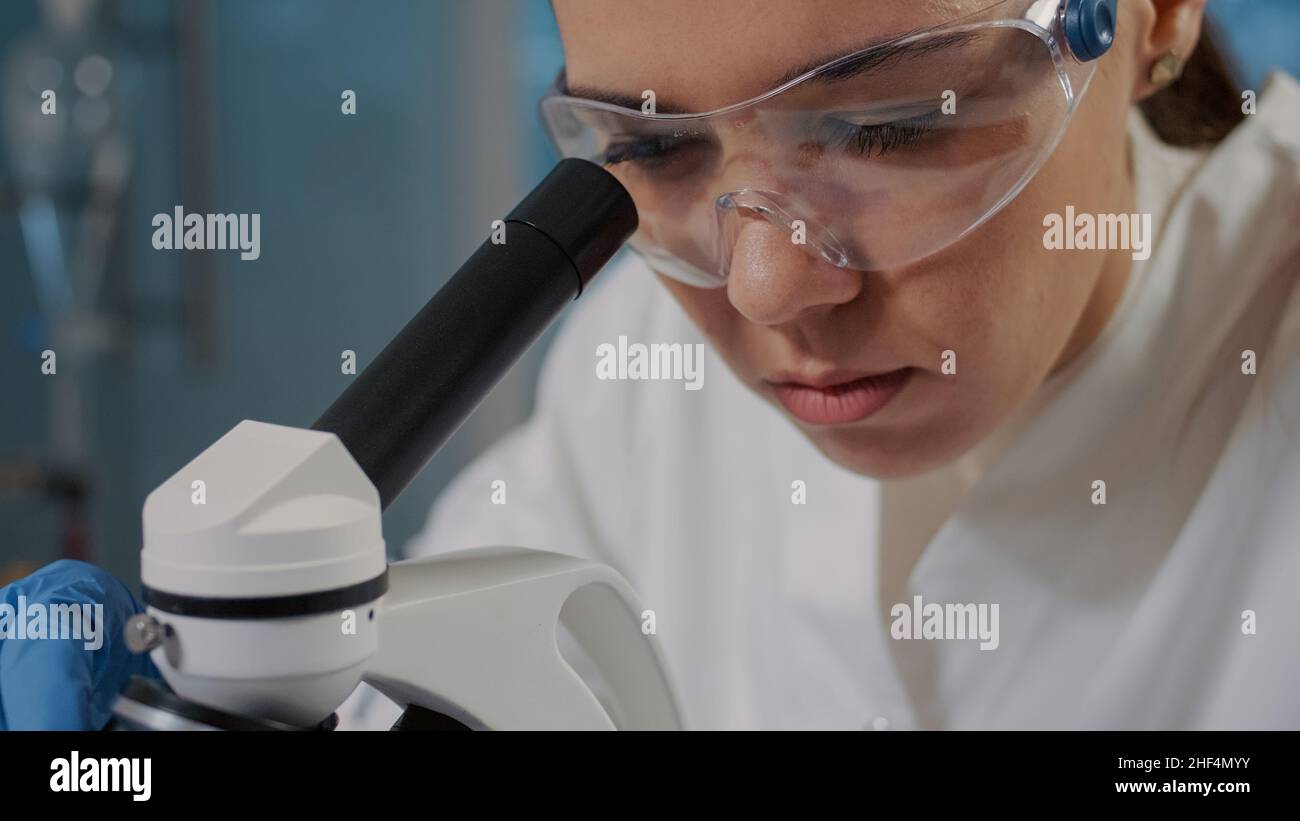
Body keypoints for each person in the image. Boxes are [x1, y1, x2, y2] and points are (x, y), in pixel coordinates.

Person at [4, 0, 1299, 730]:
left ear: (1149, 20)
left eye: (897, 128)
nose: (766, 286)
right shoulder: (632, 372)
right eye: (659, 155)